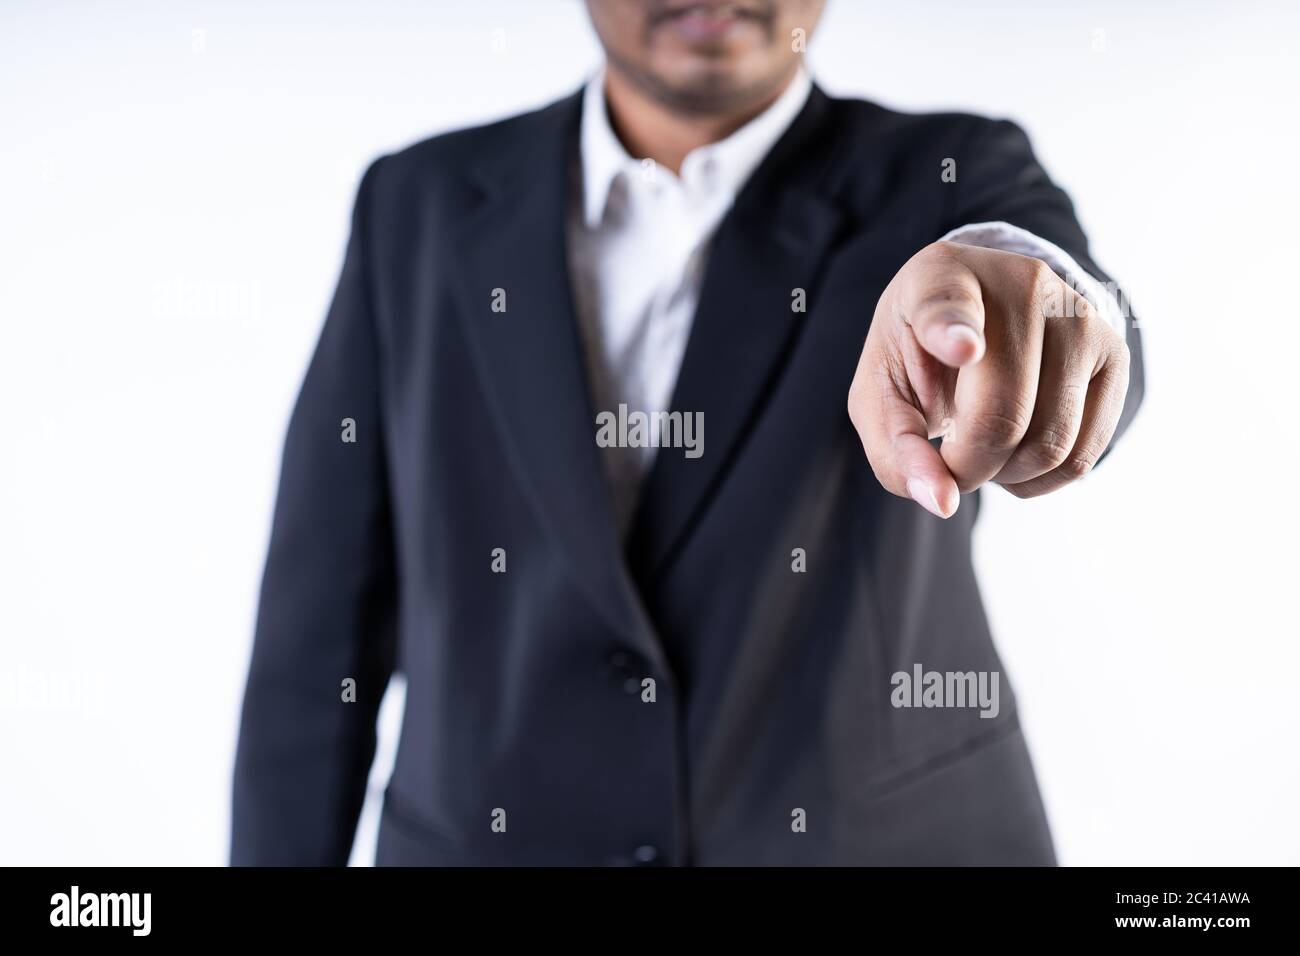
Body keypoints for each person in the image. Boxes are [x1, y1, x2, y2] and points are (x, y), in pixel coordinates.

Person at [232, 0, 1143, 866]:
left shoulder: (950, 172)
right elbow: (318, 629)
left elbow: (1054, 288)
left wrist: (1048, 320)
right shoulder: (415, 204)